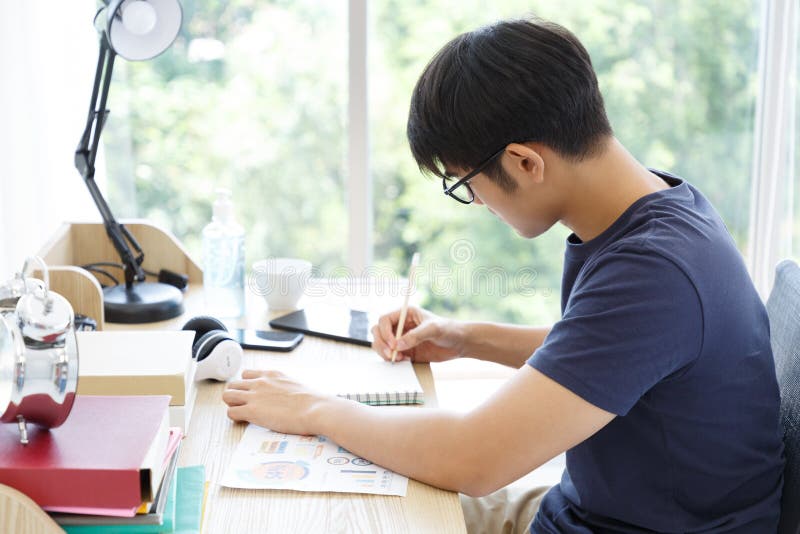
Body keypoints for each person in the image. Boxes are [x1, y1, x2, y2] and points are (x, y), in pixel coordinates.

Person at [223, 17, 785, 533]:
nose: (477, 202)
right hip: (582, 509)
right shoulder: (663, 210)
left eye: (466, 185)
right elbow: (604, 353)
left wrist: (313, 409)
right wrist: (462, 337)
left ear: (524, 162)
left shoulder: (655, 272)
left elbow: (475, 460)